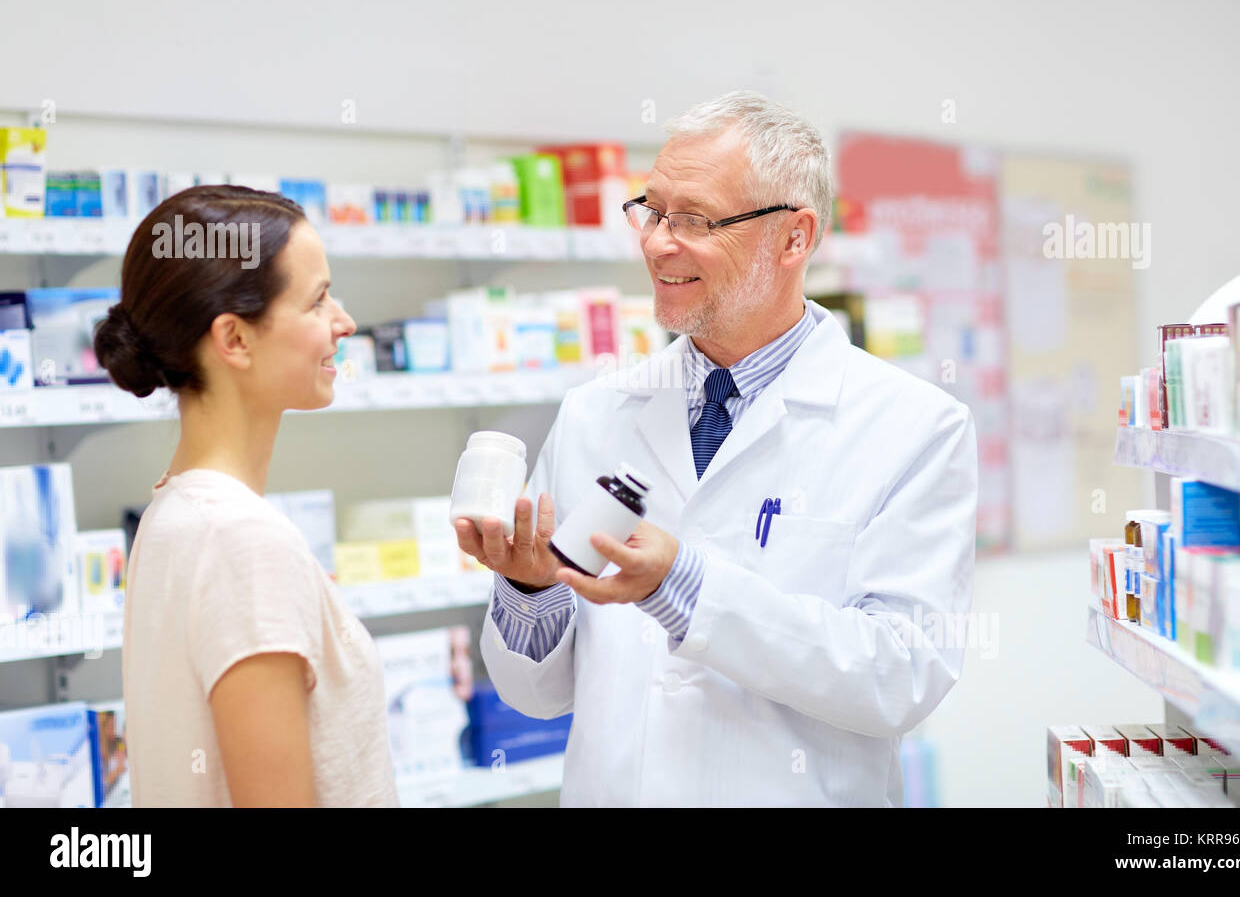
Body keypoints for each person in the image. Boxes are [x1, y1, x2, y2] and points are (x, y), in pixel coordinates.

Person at [455, 91, 978, 806]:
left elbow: (901, 676)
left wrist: (687, 589)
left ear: (795, 238)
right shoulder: (592, 414)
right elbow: (539, 697)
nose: (656, 241)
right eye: (652, 209)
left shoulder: (915, 427)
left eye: (695, 219)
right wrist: (529, 590)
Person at [95, 185, 398, 807]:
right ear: (234, 339)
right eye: (317, 302)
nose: (344, 322)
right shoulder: (242, 541)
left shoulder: (174, 512)